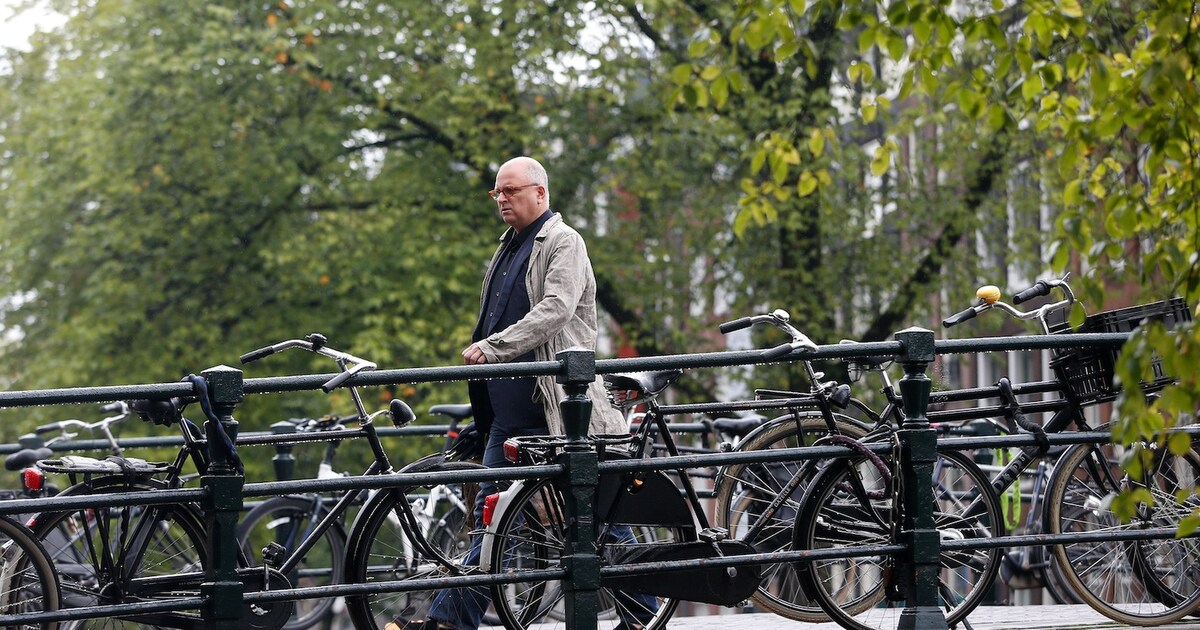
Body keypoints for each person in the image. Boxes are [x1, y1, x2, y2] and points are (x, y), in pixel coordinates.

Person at [393, 157, 640, 630]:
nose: (502, 199)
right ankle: (449, 622)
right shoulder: (507, 246)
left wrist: (494, 347)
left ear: (541, 193)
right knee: (490, 528)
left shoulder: (564, 241)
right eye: (497, 192)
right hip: (507, 416)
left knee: (600, 519)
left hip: (555, 410)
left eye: (511, 190)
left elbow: (557, 307)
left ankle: (644, 612)